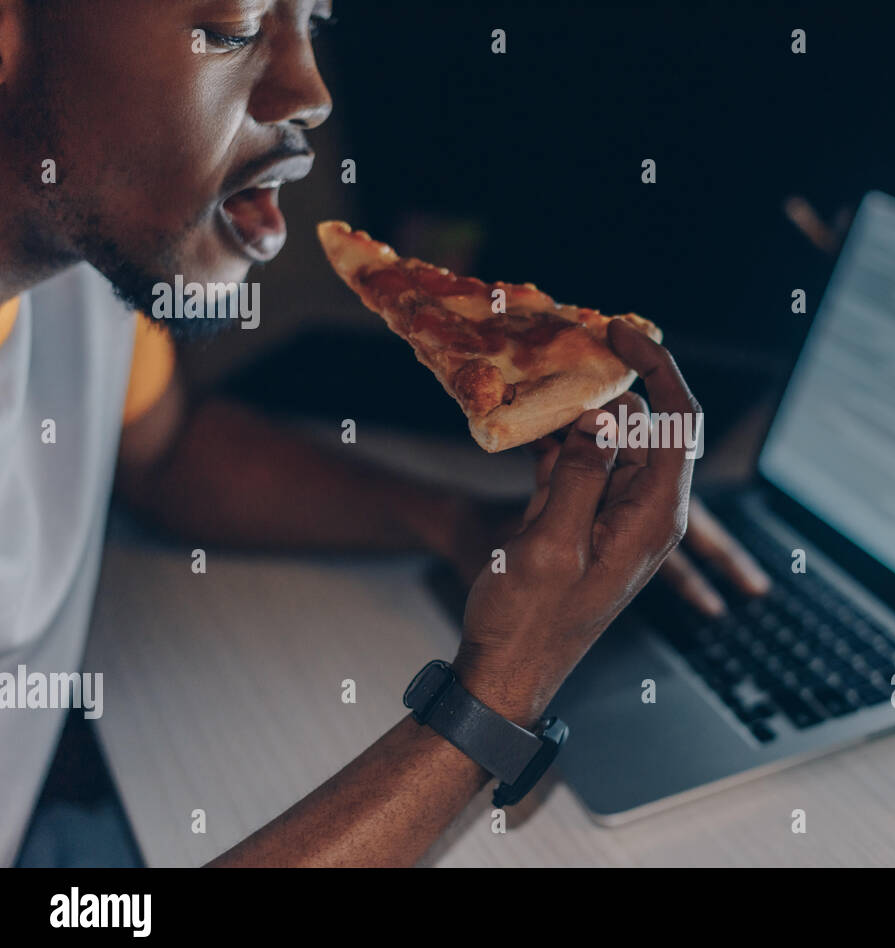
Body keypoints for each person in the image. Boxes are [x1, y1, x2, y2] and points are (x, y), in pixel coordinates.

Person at [0, 0, 768, 867]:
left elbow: (166, 453)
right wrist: (496, 698)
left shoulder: (84, 263)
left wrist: (463, 526)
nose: (311, 92)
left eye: (313, 22)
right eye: (234, 27)